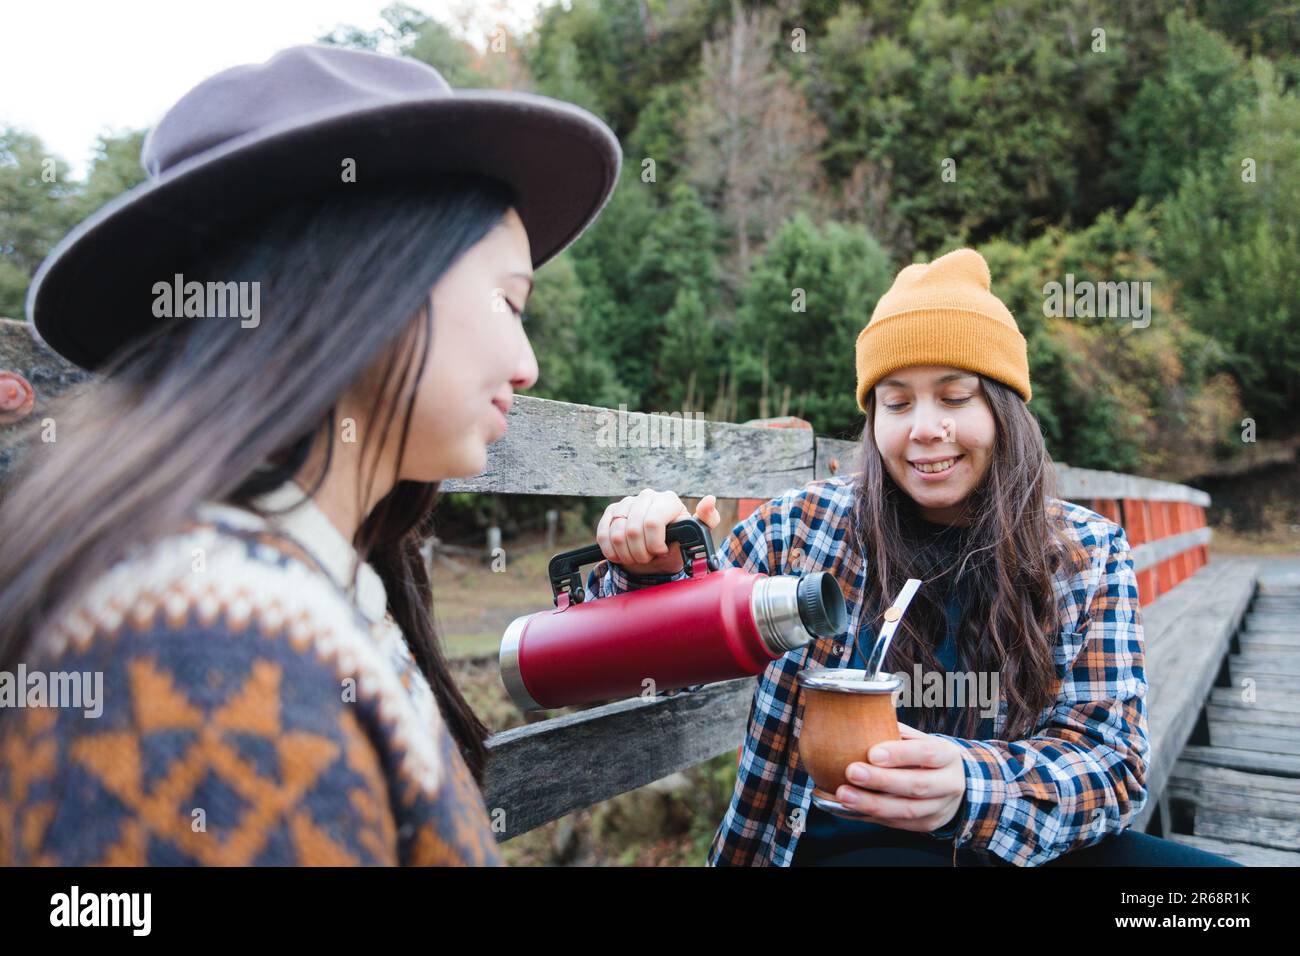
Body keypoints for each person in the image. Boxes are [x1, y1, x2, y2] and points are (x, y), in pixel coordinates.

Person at [0, 44, 620, 865]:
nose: (528, 365)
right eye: (510, 301)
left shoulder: (292, 595)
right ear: (367, 286)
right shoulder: (205, 652)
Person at [586, 248, 1240, 867]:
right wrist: (650, 576)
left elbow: (1113, 767)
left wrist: (969, 786)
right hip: (819, 848)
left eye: (955, 397)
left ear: (1006, 413)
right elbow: (651, 676)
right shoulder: (798, 530)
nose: (925, 427)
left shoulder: (1085, 553)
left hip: (997, 848)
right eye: (896, 403)